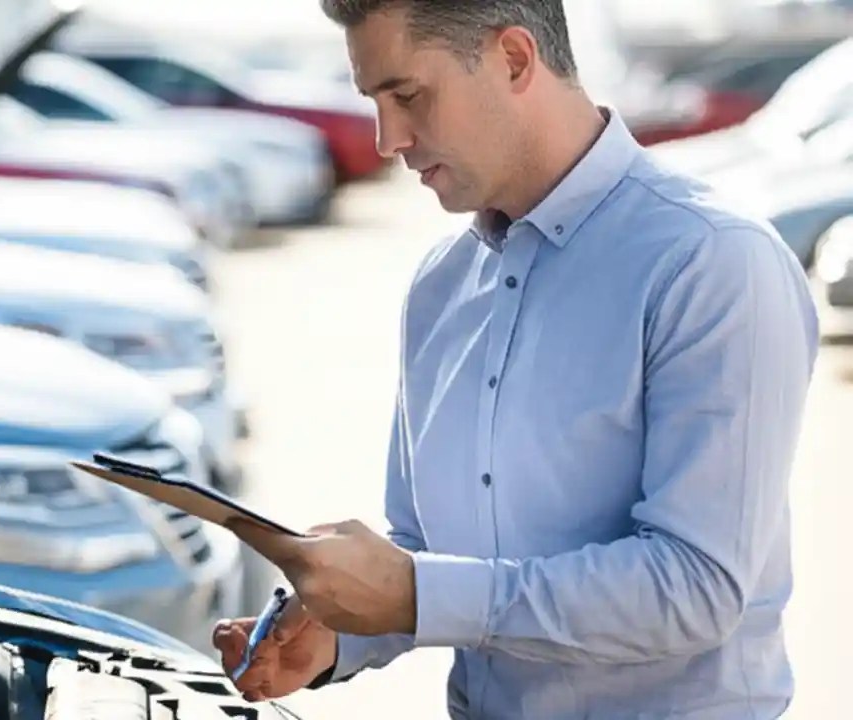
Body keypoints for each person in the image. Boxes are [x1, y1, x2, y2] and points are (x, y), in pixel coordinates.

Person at [211, 1, 819, 717]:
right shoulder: (441, 283)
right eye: (373, 102)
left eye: (407, 96)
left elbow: (694, 587)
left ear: (514, 59)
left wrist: (414, 593)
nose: (386, 140)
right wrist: (341, 632)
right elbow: (427, 546)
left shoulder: (710, 263)